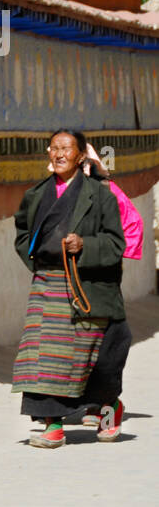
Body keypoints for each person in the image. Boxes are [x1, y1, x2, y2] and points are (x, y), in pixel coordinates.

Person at [13, 130, 125, 448]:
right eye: (54, 148)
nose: (59, 154)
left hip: (84, 285)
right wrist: (35, 260)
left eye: (67, 149)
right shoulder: (36, 195)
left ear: (80, 156)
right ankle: (53, 426)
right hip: (46, 283)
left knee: (86, 359)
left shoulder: (100, 195)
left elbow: (116, 244)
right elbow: (22, 233)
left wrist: (84, 245)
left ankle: (109, 408)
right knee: (40, 357)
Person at [77, 144, 142, 441]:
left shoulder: (108, 192)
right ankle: (88, 401)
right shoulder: (56, 192)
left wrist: (104, 252)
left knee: (104, 342)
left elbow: (132, 228)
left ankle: (106, 403)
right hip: (67, 279)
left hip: (101, 279)